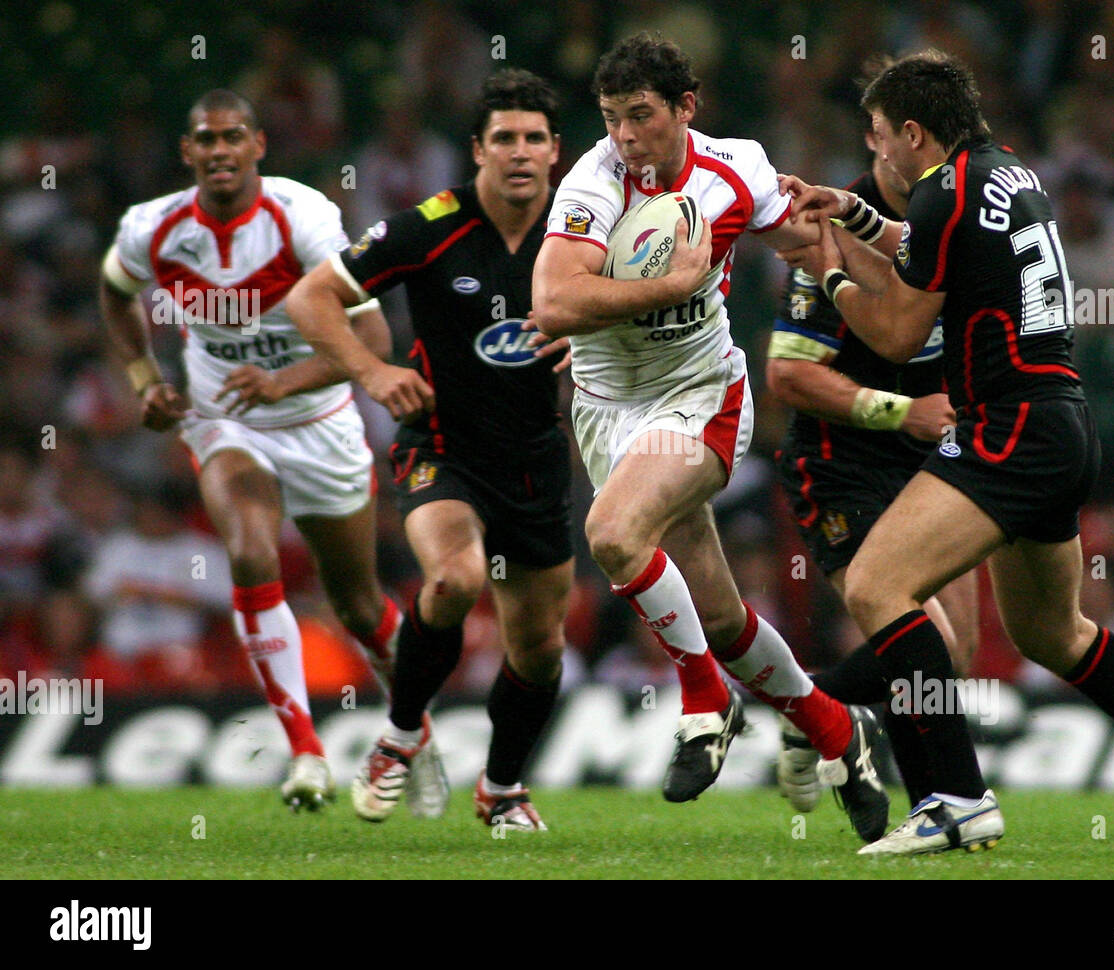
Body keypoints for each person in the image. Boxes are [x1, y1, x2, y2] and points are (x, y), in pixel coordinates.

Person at [778, 50, 1114, 855]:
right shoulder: (1006, 175)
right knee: (1052, 633)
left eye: (879, 136)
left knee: (877, 583)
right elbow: (932, 246)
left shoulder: (942, 191)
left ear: (916, 134)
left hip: (1006, 428)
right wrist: (855, 219)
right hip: (1065, 424)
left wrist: (828, 271)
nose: (875, 153)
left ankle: (957, 798)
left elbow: (894, 328)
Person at [531, 32, 886, 841]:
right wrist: (674, 283)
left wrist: (875, 255)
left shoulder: (736, 166)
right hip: (604, 405)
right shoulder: (593, 182)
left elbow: (797, 237)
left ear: (686, 108)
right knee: (722, 618)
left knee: (615, 535)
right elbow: (553, 303)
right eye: (613, 119)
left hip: (699, 395)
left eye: (642, 117)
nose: (625, 137)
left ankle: (705, 701)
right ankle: (834, 726)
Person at [99, 89, 432, 813]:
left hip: (318, 419)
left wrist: (284, 382)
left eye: (232, 137)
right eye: (205, 139)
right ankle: (307, 754)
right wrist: (144, 380)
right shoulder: (150, 228)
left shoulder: (303, 218)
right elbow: (113, 289)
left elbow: (373, 342)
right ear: (187, 152)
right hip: (225, 417)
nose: (219, 150)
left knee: (357, 603)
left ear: (258, 146)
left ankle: (417, 732)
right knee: (248, 550)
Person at [287, 69, 574, 832]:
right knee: (454, 577)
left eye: (534, 138)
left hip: (538, 462)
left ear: (557, 152)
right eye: (504, 138)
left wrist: (602, 345)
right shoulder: (428, 225)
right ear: (477, 149)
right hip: (442, 451)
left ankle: (503, 789)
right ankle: (401, 734)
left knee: (542, 647)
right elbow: (309, 298)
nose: (519, 152)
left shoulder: (585, 235)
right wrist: (375, 371)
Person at [765, 112, 980, 814]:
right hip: (843, 465)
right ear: (880, 141)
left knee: (955, 653)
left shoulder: (955, 216)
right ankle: (939, 802)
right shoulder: (826, 229)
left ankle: (817, 712)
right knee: (924, 637)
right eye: (897, 139)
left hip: (934, 462)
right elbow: (789, 375)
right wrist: (900, 411)